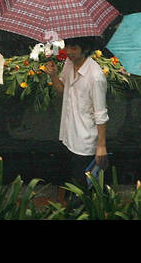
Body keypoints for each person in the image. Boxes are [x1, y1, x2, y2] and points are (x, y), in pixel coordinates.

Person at [46, 37, 109, 186]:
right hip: (69, 135)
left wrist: (101, 146)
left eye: (74, 48)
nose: (68, 52)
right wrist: (53, 75)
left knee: (85, 187)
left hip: (85, 141)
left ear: (85, 48)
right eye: (67, 47)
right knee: (72, 184)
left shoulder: (95, 76)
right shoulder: (69, 63)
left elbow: (101, 114)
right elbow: (62, 89)